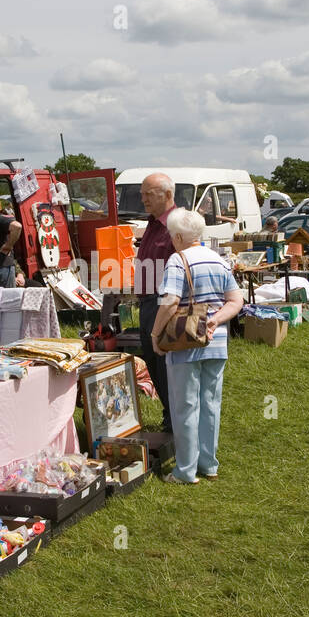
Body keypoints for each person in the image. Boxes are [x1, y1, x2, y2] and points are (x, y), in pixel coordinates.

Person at [150, 208, 243, 484]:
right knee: (211, 403)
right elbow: (235, 301)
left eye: (170, 235)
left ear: (178, 236)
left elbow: (170, 302)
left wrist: (155, 334)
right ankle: (209, 464)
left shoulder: (177, 260)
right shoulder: (219, 260)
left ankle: (186, 471)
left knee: (185, 406)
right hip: (217, 343)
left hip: (185, 343)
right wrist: (215, 320)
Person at [135, 172, 177, 432]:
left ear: (168, 195)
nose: (143, 199)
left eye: (148, 194)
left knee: (166, 365)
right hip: (148, 304)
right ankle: (171, 415)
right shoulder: (152, 223)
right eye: (142, 194)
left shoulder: (177, 224)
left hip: (165, 305)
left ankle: (176, 421)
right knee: (154, 363)